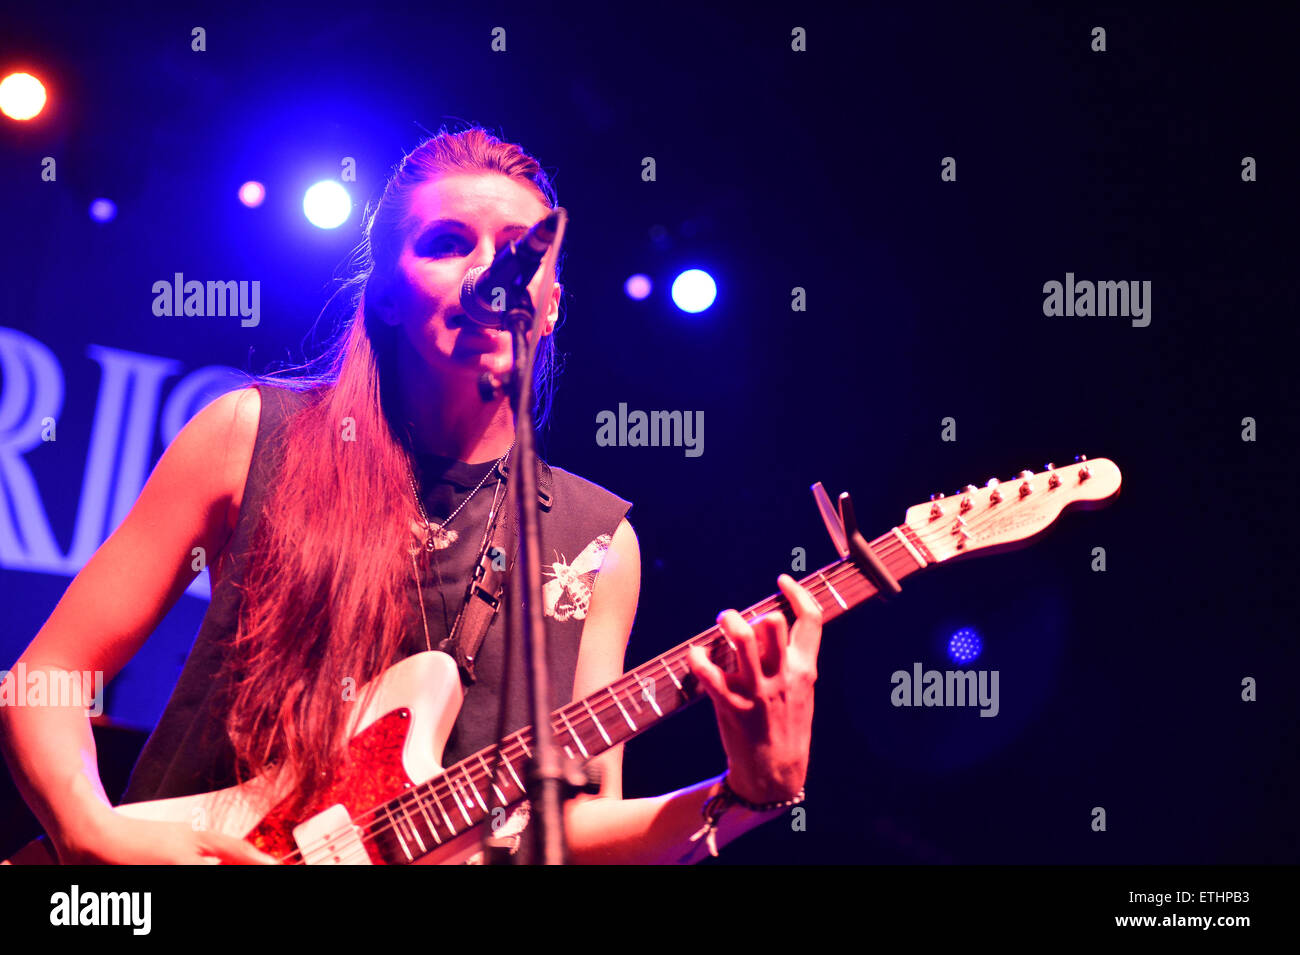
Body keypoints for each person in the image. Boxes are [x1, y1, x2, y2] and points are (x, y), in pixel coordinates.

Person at [0, 126, 822, 865]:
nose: (491, 270)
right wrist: (91, 832)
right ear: (386, 294)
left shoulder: (595, 541)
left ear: (553, 303)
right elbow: (45, 678)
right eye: (446, 241)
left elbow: (567, 832)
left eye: (522, 252)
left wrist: (746, 795)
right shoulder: (252, 436)